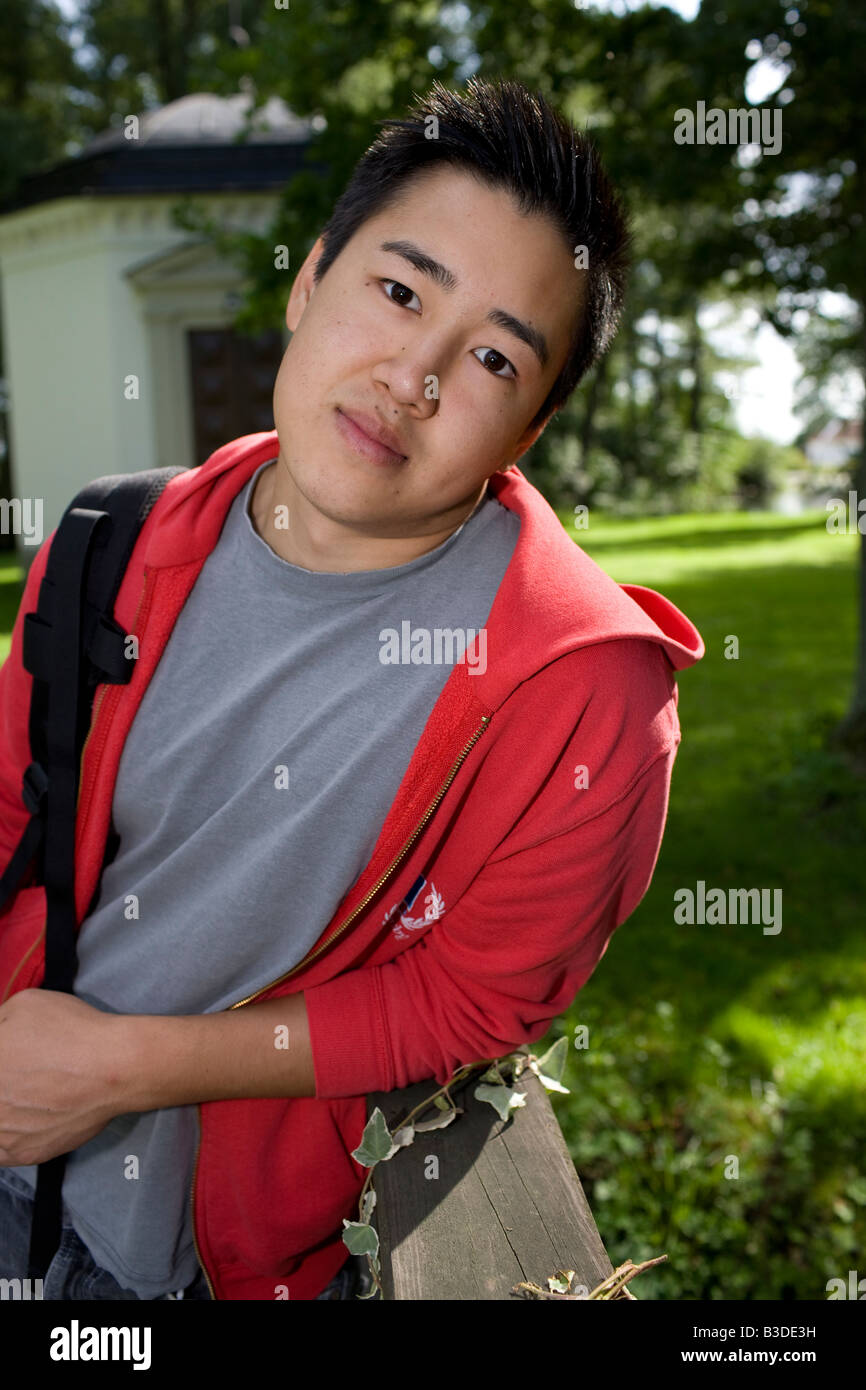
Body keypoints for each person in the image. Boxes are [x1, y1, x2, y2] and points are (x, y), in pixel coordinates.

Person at [0, 76, 704, 1301]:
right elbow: (16, 815)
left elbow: (475, 1001)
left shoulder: (585, 693)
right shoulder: (104, 543)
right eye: (396, 290)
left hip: (207, 1261)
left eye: (490, 355)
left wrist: (122, 1067)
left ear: (525, 429)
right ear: (308, 279)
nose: (411, 376)